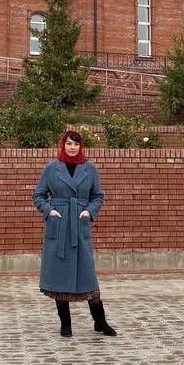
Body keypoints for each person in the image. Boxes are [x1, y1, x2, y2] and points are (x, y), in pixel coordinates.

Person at [33, 130, 117, 338]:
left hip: (79, 225)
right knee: (59, 277)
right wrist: (50, 211)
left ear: (81, 146)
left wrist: (88, 212)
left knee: (88, 276)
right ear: (63, 145)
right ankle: (66, 323)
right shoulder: (51, 169)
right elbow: (39, 195)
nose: (72, 147)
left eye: (76, 144)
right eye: (69, 143)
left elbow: (97, 196)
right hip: (59, 226)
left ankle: (100, 321)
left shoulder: (89, 168)